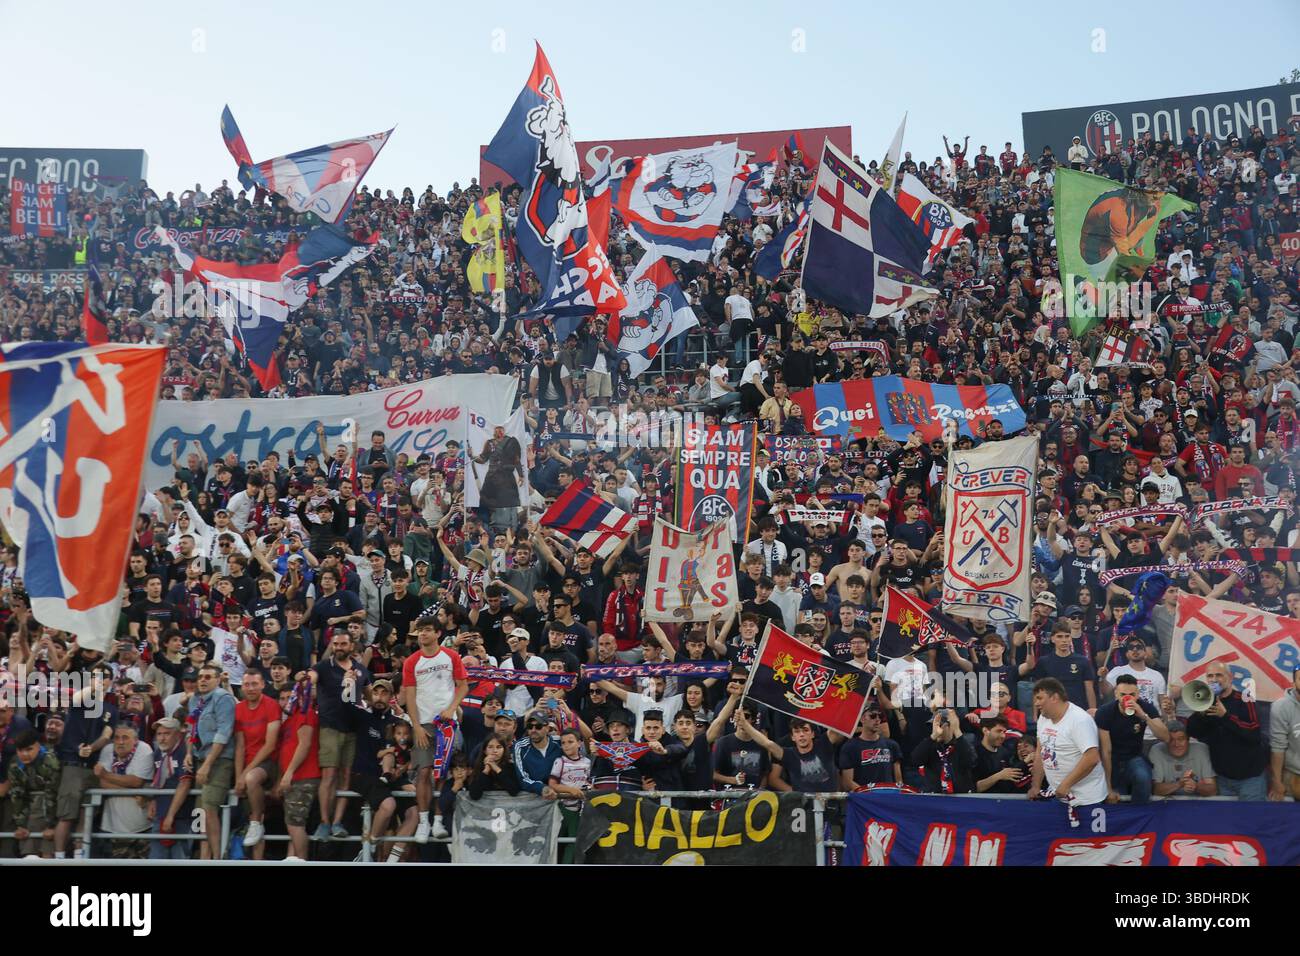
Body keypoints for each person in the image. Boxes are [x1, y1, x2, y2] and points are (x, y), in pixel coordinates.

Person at [401, 615, 468, 843]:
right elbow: (409, 695)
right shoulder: (411, 662)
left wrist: (452, 708)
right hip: (424, 724)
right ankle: (423, 822)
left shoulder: (451, 656)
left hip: (447, 723)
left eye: (427, 630)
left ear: (438, 633)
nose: (423, 634)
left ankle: (438, 820)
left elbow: (463, 686)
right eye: (420, 630)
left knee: (443, 773)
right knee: (423, 772)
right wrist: (416, 725)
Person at [1183, 661, 1268, 800]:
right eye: (1210, 676)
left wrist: (1225, 716)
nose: (1214, 679)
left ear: (1230, 677)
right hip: (1222, 779)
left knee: (1253, 819)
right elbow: (1193, 732)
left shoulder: (1245, 699)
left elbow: (1254, 734)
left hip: (1250, 779)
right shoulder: (1206, 703)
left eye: (1219, 675)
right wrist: (1200, 712)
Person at [183, 663, 238, 859]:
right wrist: (189, 753)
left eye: (208, 677)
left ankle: (218, 858)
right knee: (202, 811)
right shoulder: (195, 700)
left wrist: (207, 765)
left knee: (210, 807)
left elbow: (224, 733)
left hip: (219, 760)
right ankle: (208, 857)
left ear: (217, 680)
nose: (203, 680)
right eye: (200, 677)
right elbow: (191, 728)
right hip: (199, 757)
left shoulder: (223, 699)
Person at [1029, 678, 1108, 808]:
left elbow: (1092, 758)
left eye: (1039, 698)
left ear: (1054, 697)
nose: (1036, 703)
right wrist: (1036, 785)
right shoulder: (1043, 718)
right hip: (1058, 795)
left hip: (1086, 799)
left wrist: (1066, 784)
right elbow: (1040, 752)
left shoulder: (1079, 720)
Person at [1095, 673, 1169, 804]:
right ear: (1116, 694)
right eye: (1123, 695)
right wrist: (1108, 787)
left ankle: (1140, 814)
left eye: (1132, 695)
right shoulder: (1105, 712)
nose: (1128, 699)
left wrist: (1144, 716)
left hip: (1133, 756)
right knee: (1115, 794)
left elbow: (1165, 736)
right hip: (1113, 759)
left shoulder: (1145, 707)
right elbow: (1106, 751)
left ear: (1138, 694)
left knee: (1143, 777)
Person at [234, 670, 281, 852]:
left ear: (262, 685)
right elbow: (239, 745)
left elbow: (270, 746)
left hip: (268, 762)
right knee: (251, 828)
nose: (251, 688)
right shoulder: (238, 709)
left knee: (251, 779)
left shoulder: (271, 705)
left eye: (254, 684)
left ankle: (256, 820)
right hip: (247, 763)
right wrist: (239, 776)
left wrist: (244, 775)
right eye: (247, 684)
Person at [275, 681, 322, 860]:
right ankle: (291, 859)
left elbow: (305, 744)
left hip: (304, 776)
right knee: (292, 823)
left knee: (295, 824)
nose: (288, 701)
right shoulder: (289, 720)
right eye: (283, 698)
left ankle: (301, 861)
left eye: (291, 697)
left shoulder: (306, 714)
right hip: (293, 777)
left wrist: (289, 773)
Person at [93, 724, 155, 859]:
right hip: (115, 826)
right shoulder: (107, 750)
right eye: (117, 738)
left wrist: (105, 774)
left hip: (142, 825)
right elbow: (103, 783)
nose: (120, 742)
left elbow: (136, 781)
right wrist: (133, 793)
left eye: (125, 738)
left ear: (135, 740)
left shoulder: (144, 749)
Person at [6, 728, 60, 859]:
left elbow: (52, 794)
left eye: (29, 749)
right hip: (31, 808)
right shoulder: (15, 764)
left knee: (48, 850)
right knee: (28, 851)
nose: (24, 754)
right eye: (20, 750)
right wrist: (20, 825)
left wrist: (52, 826)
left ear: (38, 746)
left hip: (55, 806)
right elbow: (17, 795)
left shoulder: (50, 761)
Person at [837, 707, 903, 789]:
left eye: (880, 716)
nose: (877, 719)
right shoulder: (850, 747)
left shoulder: (892, 745)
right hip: (864, 799)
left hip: (888, 796)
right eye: (873, 716)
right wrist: (869, 795)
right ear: (862, 719)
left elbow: (898, 779)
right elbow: (847, 782)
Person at [1150, 720, 1218, 798]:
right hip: (1168, 803)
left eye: (1181, 739)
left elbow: (1213, 790)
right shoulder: (1157, 750)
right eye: (1171, 740)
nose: (1176, 744)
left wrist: (1196, 786)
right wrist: (1180, 784)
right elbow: (1155, 790)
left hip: (1198, 801)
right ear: (1165, 741)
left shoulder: (1201, 749)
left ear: (1188, 740)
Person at [1269, 667, 1300, 801]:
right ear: (1293, 683)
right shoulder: (1281, 707)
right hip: (1294, 773)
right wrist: (1277, 781)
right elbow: (1277, 747)